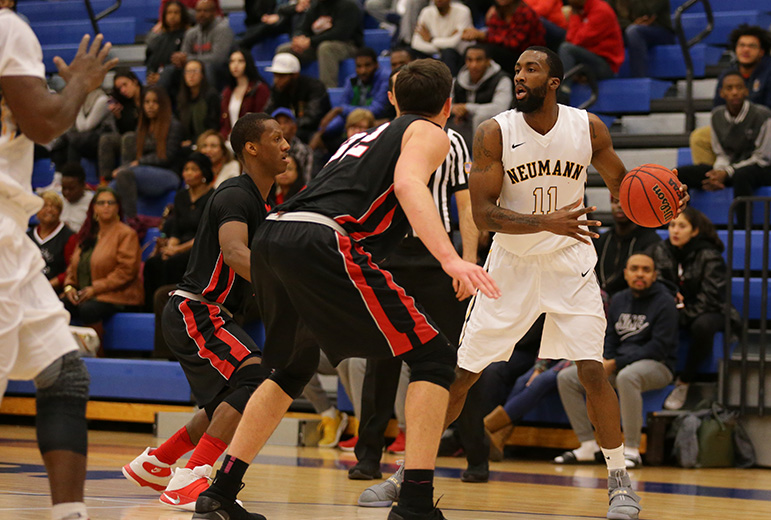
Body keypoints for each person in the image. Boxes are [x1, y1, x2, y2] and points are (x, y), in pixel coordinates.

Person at [363, 47, 679, 520]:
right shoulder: (494, 132)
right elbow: (483, 213)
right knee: (464, 374)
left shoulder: (587, 127)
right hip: (510, 265)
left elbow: (624, 188)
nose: (519, 77)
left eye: (530, 69)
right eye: (516, 70)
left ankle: (619, 483)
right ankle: (409, 470)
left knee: (592, 371)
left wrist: (669, 197)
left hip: (570, 261)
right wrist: (545, 221)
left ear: (554, 81)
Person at [192, 59, 498, 520]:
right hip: (325, 239)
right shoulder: (432, 132)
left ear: (392, 98)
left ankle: (219, 493)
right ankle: (414, 502)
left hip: (277, 233)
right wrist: (451, 258)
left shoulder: (361, 137)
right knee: (433, 359)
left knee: (289, 371)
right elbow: (409, 183)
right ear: (448, 104)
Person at [122, 113, 289, 511]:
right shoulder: (236, 194)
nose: (286, 146)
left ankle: (159, 461)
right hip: (198, 310)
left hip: (206, 312)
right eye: (277, 138)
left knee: (229, 399)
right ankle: (191, 476)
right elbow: (233, 253)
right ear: (252, 148)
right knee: (256, 381)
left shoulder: (261, 201)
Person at [0, 15, 115, 519]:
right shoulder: (6, 27)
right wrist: (79, 86)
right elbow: (44, 121)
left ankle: (70, 513)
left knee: (65, 374)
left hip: (10, 238)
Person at [350, 70, 487, 483]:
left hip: (436, 259)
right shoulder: (382, 139)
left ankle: (475, 453)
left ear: (395, 98)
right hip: (387, 255)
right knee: (381, 358)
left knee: (457, 357)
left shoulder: (456, 141)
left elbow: (466, 207)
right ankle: (368, 454)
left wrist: (467, 259)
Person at [555, 252, 677, 467]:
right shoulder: (619, 299)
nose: (640, 274)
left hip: (658, 365)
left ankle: (631, 449)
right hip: (618, 363)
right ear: (626, 273)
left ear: (655, 275)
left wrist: (616, 362)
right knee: (567, 377)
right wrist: (604, 359)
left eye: (646, 270)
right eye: (634, 269)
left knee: (628, 377)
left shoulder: (665, 302)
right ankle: (588, 446)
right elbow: (609, 335)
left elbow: (658, 347)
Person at [649, 208, 737, 410]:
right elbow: (658, 282)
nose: (675, 231)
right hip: (677, 309)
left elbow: (711, 297)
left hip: (712, 310)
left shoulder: (709, 255)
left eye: (682, 226)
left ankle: (685, 381)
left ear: (695, 231)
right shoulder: (661, 249)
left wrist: (680, 315)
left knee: (702, 325)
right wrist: (669, 297)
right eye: (672, 225)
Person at [676, 71, 771, 226]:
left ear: (746, 91)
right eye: (729, 88)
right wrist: (717, 173)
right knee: (680, 174)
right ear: (722, 93)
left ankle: (744, 231)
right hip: (731, 169)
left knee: (742, 176)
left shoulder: (763, 114)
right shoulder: (716, 115)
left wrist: (727, 172)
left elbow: (763, 157)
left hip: (763, 168)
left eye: (739, 88)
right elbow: (721, 153)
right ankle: (682, 222)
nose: (735, 92)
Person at [690, 24, 771, 166]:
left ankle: (752, 174)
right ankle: (710, 180)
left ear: (762, 51)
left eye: (752, 46)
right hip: (738, 127)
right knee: (699, 137)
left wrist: (742, 126)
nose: (745, 50)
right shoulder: (727, 75)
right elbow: (719, 109)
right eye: (741, 45)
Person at [62, 189, 144, 341]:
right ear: (94, 208)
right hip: (86, 293)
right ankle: (64, 354)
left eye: (110, 203)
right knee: (60, 306)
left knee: (88, 309)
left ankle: (95, 354)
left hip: (117, 295)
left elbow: (126, 271)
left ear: (118, 207)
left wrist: (95, 289)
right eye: (101, 203)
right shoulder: (87, 234)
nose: (106, 206)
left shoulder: (126, 234)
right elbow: (73, 267)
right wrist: (70, 287)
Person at [142, 152, 215, 312]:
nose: (187, 173)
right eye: (185, 169)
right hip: (180, 244)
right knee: (153, 263)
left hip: (199, 248)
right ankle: (151, 310)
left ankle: (174, 309)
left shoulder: (212, 197)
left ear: (203, 172)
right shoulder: (181, 197)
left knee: (173, 263)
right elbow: (175, 229)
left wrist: (177, 250)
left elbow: (205, 235)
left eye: (193, 169)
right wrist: (170, 248)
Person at [111, 86, 185, 219]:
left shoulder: (174, 126)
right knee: (109, 189)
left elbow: (167, 156)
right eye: (147, 102)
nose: (150, 106)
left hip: (168, 174)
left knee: (124, 174)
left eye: (155, 102)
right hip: (142, 173)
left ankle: (131, 220)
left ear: (162, 104)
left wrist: (139, 162)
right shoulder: (141, 127)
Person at [312, 47, 392, 151]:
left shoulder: (385, 78)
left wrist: (341, 110)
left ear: (376, 64)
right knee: (326, 133)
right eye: (359, 66)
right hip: (352, 121)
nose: (363, 71)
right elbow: (343, 104)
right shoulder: (352, 80)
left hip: (375, 121)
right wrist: (322, 130)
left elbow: (377, 109)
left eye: (367, 65)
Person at [276, 0, 364, 88]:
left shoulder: (348, 5)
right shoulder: (315, 7)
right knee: (284, 50)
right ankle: (285, 92)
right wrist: (298, 39)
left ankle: (327, 91)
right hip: (317, 45)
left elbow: (341, 33)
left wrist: (310, 41)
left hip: (348, 45)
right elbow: (301, 28)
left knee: (326, 48)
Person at [594, 196, 661, 296]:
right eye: (615, 201)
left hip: (635, 299)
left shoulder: (651, 240)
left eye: (625, 202)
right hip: (600, 299)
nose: (619, 206)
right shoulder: (602, 239)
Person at [461, 0, 546, 72]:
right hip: (505, 53)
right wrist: (475, 35)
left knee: (490, 52)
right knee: (471, 51)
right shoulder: (496, 13)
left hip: (529, 57)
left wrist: (483, 36)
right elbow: (493, 35)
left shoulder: (525, 13)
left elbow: (513, 43)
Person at [450, 44, 511, 144]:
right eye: (470, 60)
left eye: (478, 60)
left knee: (482, 117)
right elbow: (443, 105)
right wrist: (455, 109)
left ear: (488, 61)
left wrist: (468, 108)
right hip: (463, 127)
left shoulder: (502, 80)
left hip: (492, 131)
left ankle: (479, 157)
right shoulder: (457, 81)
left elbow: (501, 108)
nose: (473, 65)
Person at [263, 52, 331, 142]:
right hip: (287, 129)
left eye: (282, 76)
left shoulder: (314, 87)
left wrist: (288, 125)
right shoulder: (277, 89)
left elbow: (312, 117)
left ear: (295, 75)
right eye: (275, 76)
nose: (277, 80)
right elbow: (268, 112)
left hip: (314, 130)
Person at [173, 0, 234, 90]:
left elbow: (218, 59)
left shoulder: (223, 30)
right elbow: (184, 55)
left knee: (207, 67)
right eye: (198, 11)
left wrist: (188, 59)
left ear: (214, 13)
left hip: (221, 71)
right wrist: (179, 59)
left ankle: (211, 100)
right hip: (196, 68)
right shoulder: (191, 33)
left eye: (206, 11)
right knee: (170, 70)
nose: (201, 14)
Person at [559, 0, 624, 83]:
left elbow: (578, 41)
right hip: (589, 58)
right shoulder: (580, 10)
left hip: (606, 65)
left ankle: (563, 92)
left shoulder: (600, 10)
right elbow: (570, 38)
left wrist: (574, 16)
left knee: (566, 49)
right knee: (560, 49)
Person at [48, 87, 111, 168]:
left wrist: (78, 105)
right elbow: (68, 127)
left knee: (73, 141)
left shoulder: (103, 100)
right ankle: (59, 176)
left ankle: (72, 176)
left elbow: (84, 127)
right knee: (61, 142)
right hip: (82, 138)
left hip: (100, 138)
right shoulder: (83, 98)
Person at [29, 191, 79, 292]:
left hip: (55, 291)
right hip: (28, 288)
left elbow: (71, 270)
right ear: (36, 211)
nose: (49, 210)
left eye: (54, 207)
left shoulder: (69, 237)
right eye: (45, 206)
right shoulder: (27, 236)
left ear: (60, 212)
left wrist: (49, 285)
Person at [98, 67, 142, 180]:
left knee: (128, 138)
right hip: (131, 137)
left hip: (147, 137)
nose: (123, 90)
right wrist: (118, 117)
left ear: (134, 81)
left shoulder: (149, 96)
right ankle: (105, 180)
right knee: (106, 139)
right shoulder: (125, 103)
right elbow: (124, 130)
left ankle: (123, 177)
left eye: (125, 85)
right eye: (119, 88)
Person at [220, 48, 270, 140]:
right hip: (229, 139)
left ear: (248, 63)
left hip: (251, 139)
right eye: (232, 61)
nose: (235, 65)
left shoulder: (259, 89)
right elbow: (223, 122)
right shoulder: (227, 91)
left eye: (240, 61)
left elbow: (261, 119)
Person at [411, 0, 474, 74]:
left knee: (448, 52)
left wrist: (431, 39)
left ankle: (450, 83)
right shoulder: (426, 12)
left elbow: (453, 44)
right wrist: (442, 45)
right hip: (432, 54)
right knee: (409, 52)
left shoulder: (463, 11)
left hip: (458, 55)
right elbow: (415, 43)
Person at [177, 59, 223, 145]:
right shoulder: (182, 97)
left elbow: (213, 126)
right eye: (188, 71)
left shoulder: (211, 96)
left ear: (202, 74)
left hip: (207, 142)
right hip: (187, 143)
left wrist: (194, 142)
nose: (191, 75)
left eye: (195, 71)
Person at [145, 0, 189, 88]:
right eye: (169, 12)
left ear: (182, 15)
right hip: (158, 78)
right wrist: (151, 75)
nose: (172, 16)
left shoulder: (187, 35)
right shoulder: (159, 38)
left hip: (177, 80)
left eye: (176, 12)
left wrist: (162, 76)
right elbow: (150, 60)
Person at [271, 107, 315, 182]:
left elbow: (306, 180)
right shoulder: (266, 149)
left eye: (286, 122)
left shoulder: (304, 151)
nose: (282, 127)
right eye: (277, 123)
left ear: (294, 127)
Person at [58, 163, 95, 232]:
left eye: (71, 189)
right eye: (64, 188)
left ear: (83, 186)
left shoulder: (93, 203)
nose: (66, 192)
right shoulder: (58, 201)